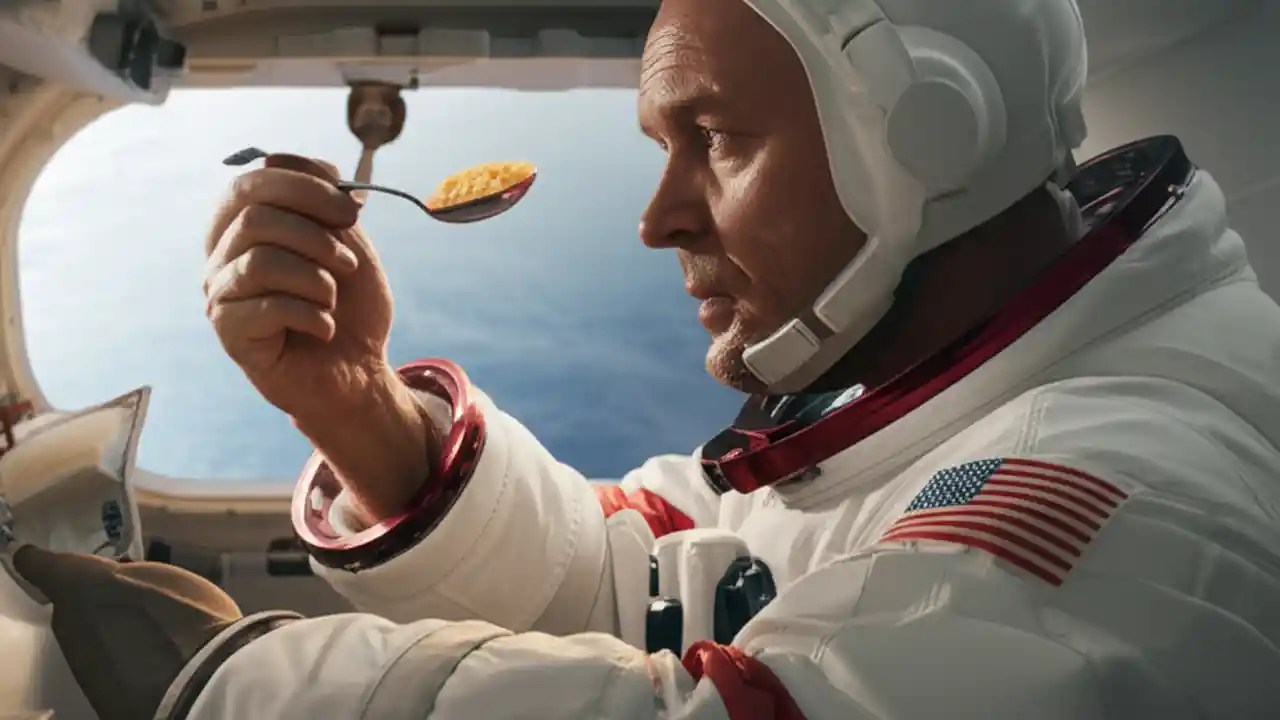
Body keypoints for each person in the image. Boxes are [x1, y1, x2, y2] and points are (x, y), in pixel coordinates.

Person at [15, 0, 1280, 717]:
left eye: (714, 138)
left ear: (930, 141)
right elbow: (659, 596)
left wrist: (221, 689)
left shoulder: (1119, 499)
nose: (658, 216)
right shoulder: (915, 410)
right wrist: (367, 420)